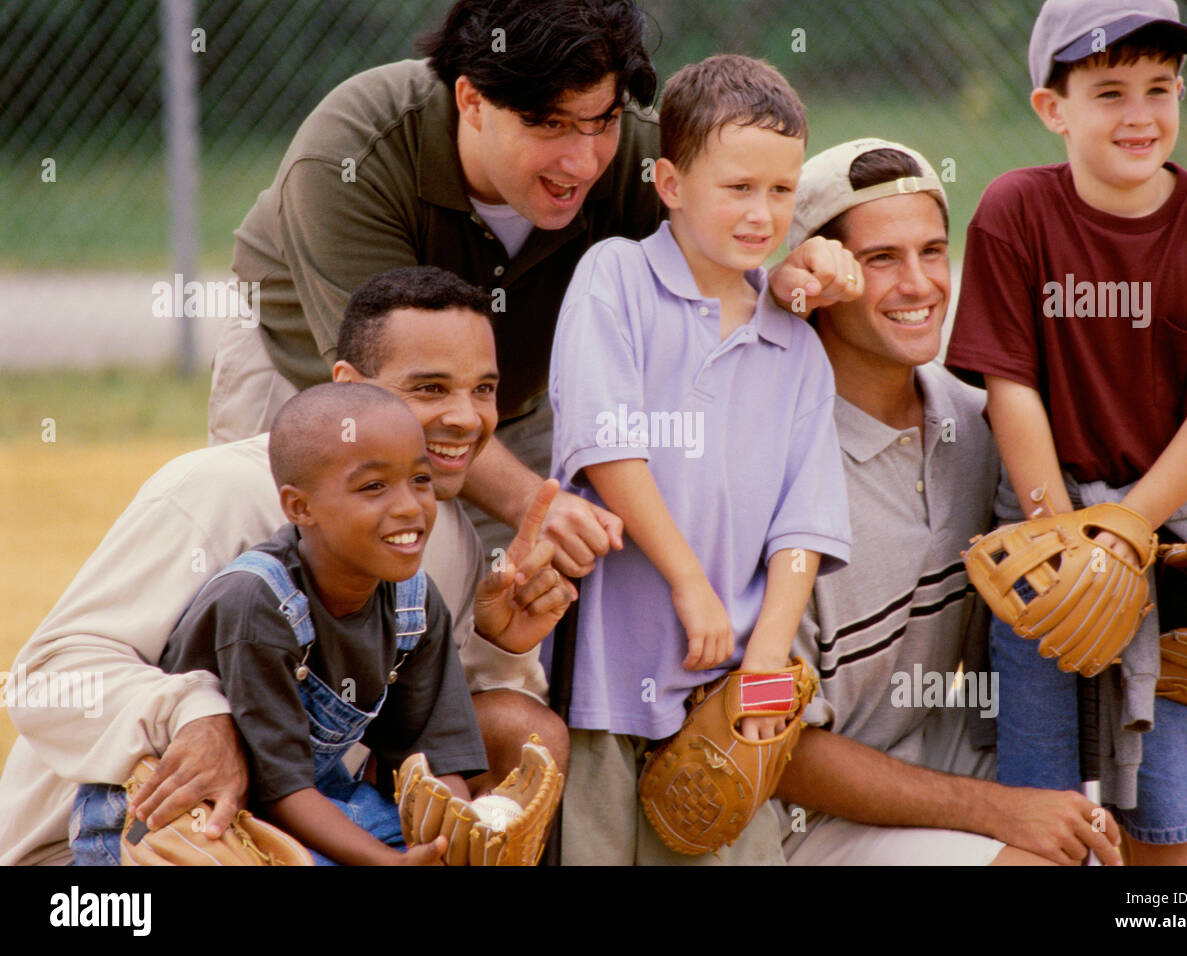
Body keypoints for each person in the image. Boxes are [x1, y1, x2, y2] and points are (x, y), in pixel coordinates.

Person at [209, 0, 863, 569]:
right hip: (313, 384)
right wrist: (531, 502)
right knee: (294, 590)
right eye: (549, 123)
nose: (581, 161)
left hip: (515, 404)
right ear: (471, 100)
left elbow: (714, 268)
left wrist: (781, 281)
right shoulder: (354, 151)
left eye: (601, 120)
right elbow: (388, 390)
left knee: (504, 624)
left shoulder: (637, 160)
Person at [0, 266, 571, 866]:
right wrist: (199, 716)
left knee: (524, 731)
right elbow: (45, 680)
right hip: (122, 835)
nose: (466, 416)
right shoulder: (216, 491)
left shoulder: (438, 530)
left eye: (483, 389)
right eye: (430, 389)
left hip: (311, 814)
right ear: (347, 383)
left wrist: (501, 645)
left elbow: (435, 724)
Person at [944, 0, 1187, 865]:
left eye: (1160, 88)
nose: (1140, 115)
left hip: (1170, 541)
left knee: (1172, 820)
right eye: (1109, 90)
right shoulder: (1016, 210)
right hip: (1042, 538)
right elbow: (1009, 384)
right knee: (1047, 812)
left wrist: (1131, 529)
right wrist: (1064, 531)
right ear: (1052, 108)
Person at [774, 137, 1123, 866]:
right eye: (880, 260)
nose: (920, 284)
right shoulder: (775, 466)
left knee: (1134, 808)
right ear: (823, 278)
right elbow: (790, 755)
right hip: (808, 818)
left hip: (943, 751)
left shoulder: (981, 424)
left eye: (933, 252)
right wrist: (1003, 812)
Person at [549, 55, 851, 865]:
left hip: (725, 705)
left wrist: (761, 672)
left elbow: (804, 526)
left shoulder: (796, 346)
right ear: (671, 184)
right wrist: (690, 582)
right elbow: (610, 449)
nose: (763, 214)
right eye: (738, 188)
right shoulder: (614, 279)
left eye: (782, 193)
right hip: (607, 690)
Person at [76, 384, 493, 865]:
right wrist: (387, 863)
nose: (409, 506)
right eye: (373, 487)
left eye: (420, 480)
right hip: (176, 818)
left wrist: (451, 836)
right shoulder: (260, 602)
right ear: (299, 507)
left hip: (313, 800)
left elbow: (433, 756)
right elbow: (281, 790)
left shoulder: (413, 603)